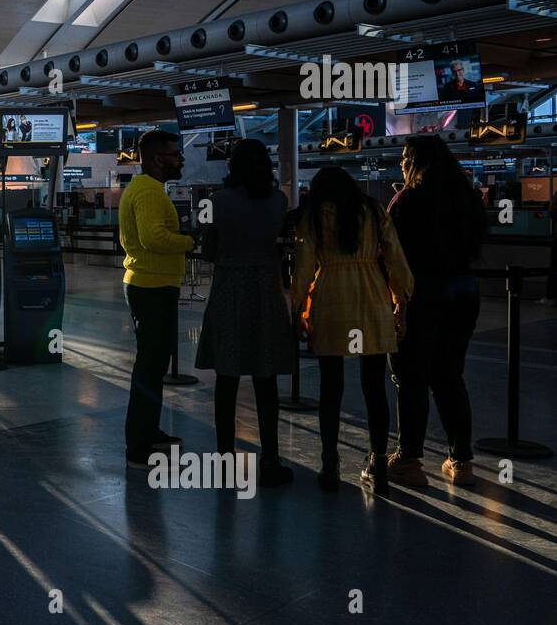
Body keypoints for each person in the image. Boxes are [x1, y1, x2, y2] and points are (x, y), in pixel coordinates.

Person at [290, 166, 413, 495]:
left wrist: (297, 309)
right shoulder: (373, 211)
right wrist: (402, 298)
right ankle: (378, 463)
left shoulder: (314, 217)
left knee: (331, 388)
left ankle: (330, 463)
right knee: (374, 386)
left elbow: (303, 267)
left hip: (331, 296)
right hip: (371, 295)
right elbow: (396, 258)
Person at [193, 139, 295, 486]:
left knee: (227, 376)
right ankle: (270, 458)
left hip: (229, 289)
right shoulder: (279, 200)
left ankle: (224, 458)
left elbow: (208, 252)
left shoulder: (215, 202)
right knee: (265, 379)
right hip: (266, 289)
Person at [387, 136, 487, 487]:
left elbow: (392, 255)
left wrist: (396, 301)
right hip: (462, 291)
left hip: (420, 294)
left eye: (404, 158)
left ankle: (409, 461)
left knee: (411, 378)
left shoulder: (407, 201)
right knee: (448, 376)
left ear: (416, 161)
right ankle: (461, 462)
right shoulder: (467, 199)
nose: (401, 164)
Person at [117, 129, 194, 468]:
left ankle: (149, 430)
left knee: (153, 364)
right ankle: (138, 446)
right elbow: (154, 239)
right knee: (149, 367)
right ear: (156, 159)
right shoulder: (148, 192)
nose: (180, 160)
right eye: (175, 155)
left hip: (152, 284)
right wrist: (190, 241)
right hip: (150, 287)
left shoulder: (147, 189)